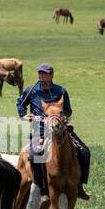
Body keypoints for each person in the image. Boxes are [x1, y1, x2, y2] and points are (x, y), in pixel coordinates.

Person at [16, 63, 91, 200]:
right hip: (41, 130)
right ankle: (41, 187)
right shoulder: (31, 90)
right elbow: (20, 103)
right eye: (40, 73)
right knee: (34, 155)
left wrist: (63, 117)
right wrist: (24, 115)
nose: (41, 76)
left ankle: (79, 185)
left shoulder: (61, 91)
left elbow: (68, 110)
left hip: (61, 129)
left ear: (51, 75)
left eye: (44, 74)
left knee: (85, 151)